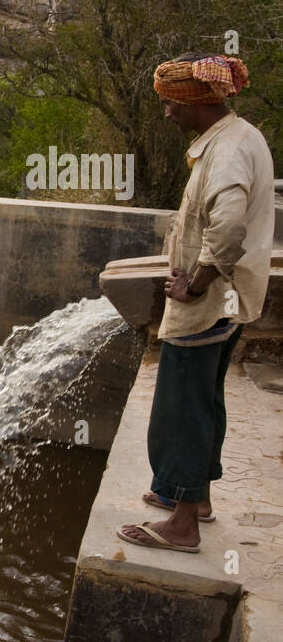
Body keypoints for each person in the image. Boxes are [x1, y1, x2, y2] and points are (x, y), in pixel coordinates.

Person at [118, 52, 275, 553]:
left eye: (170, 104)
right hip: (230, 300)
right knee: (205, 399)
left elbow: (228, 229)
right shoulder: (238, 136)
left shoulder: (227, 152)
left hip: (207, 302)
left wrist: (196, 283)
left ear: (196, 101)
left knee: (181, 408)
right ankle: (192, 498)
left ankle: (182, 526)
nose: (166, 113)